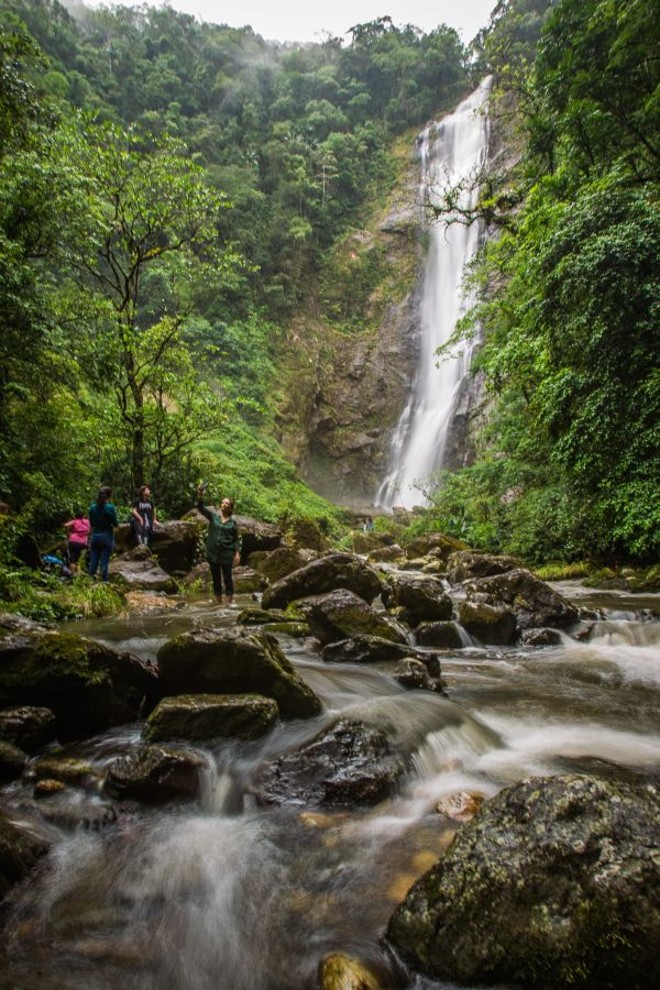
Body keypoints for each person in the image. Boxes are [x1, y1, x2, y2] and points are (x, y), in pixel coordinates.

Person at [196, 484, 241, 606]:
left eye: (227, 503)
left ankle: (229, 603)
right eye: (223, 503)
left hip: (226, 555)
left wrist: (237, 553)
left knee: (227, 578)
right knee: (216, 579)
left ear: (230, 507)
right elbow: (201, 508)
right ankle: (219, 603)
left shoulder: (233, 523)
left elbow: (235, 539)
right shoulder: (213, 517)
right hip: (213, 553)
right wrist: (200, 494)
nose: (224, 504)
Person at [88, 485, 118, 581]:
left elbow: (91, 523)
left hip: (95, 537)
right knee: (104, 562)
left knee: (93, 561)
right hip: (106, 537)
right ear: (108, 496)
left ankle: (90, 581)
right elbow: (115, 523)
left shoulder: (92, 508)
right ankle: (103, 583)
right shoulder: (110, 508)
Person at [63, 510, 90, 574]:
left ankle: (73, 575)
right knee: (79, 560)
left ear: (75, 516)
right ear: (83, 516)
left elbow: (66, 525)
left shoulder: (75, 521)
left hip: (73, 541)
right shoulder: (87, 521)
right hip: (83, 543)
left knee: (72, 560)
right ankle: (78, 576)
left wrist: (68, 533)